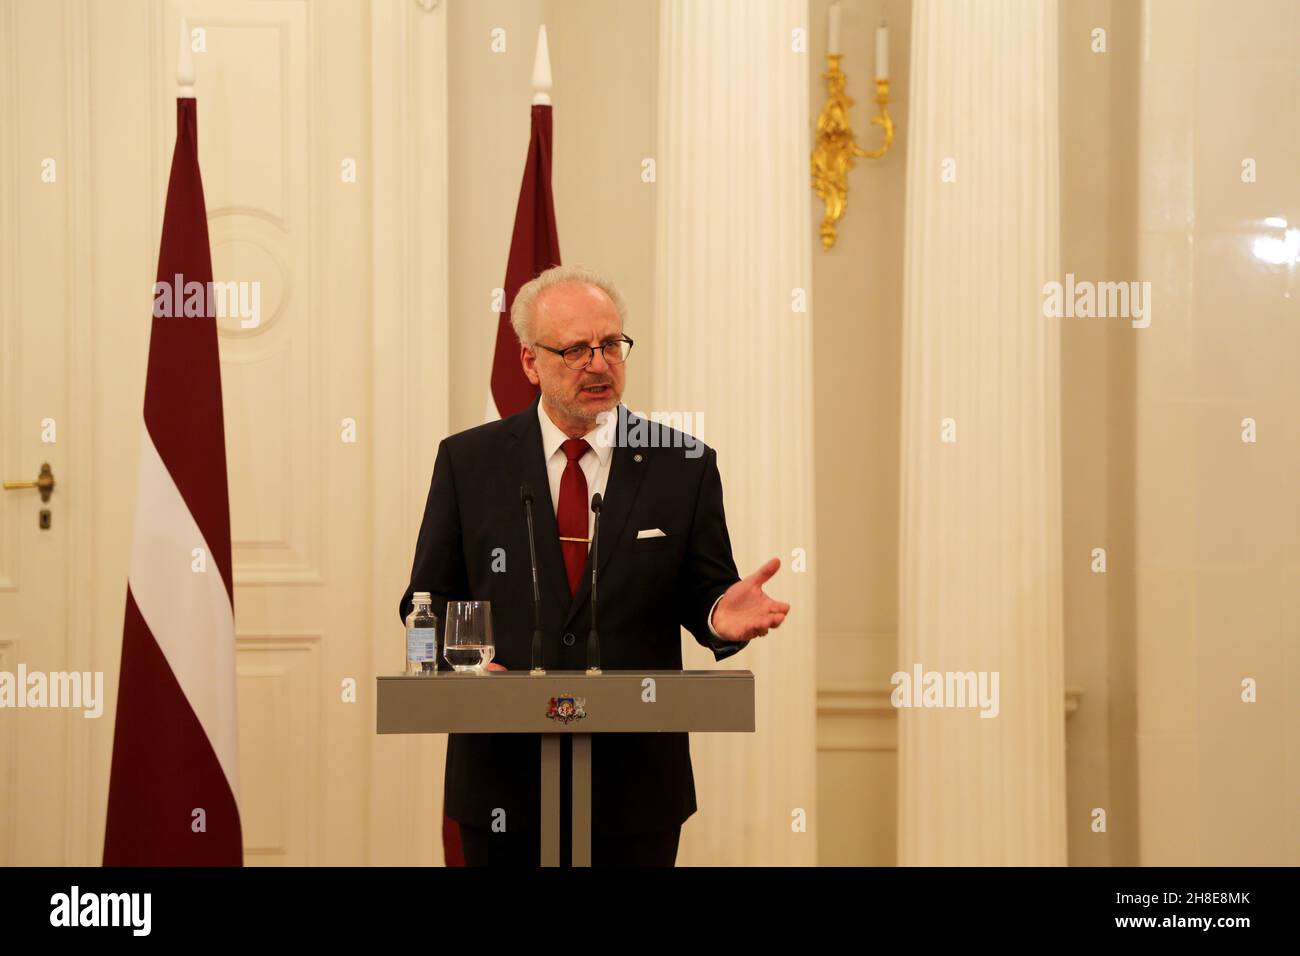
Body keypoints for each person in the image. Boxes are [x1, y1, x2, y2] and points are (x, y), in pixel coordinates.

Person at [399, 264, 790, 866]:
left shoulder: (682, 463)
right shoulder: (469, 462)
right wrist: (465, 668)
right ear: (530, 362)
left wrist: (719, 613)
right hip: (503, 780)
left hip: (634, 787)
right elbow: (425, 598)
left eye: (611, 345)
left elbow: (704, 590)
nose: (599, 364)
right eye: (576, 349)